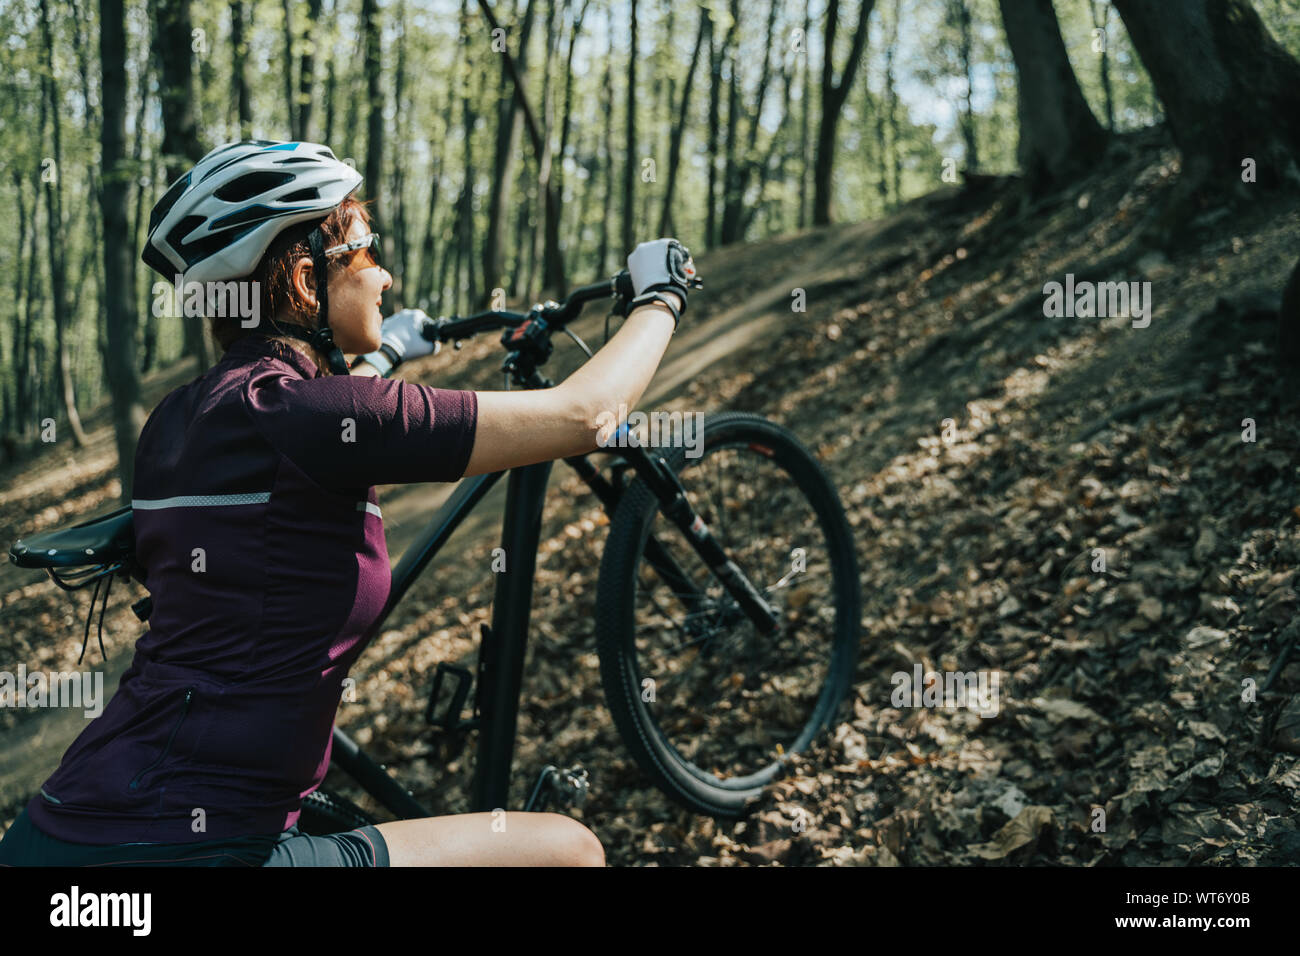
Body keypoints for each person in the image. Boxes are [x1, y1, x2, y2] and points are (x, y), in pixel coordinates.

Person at [0, 139, 695, 867]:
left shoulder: (181, 419)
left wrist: (383, 353)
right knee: (569, 850)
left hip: (55, 831)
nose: (383, 272)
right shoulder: (314, 416)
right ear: (305, 280)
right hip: (193, 853)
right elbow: (587, 412)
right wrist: (661, 295)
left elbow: (302, 418)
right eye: (363, 251)